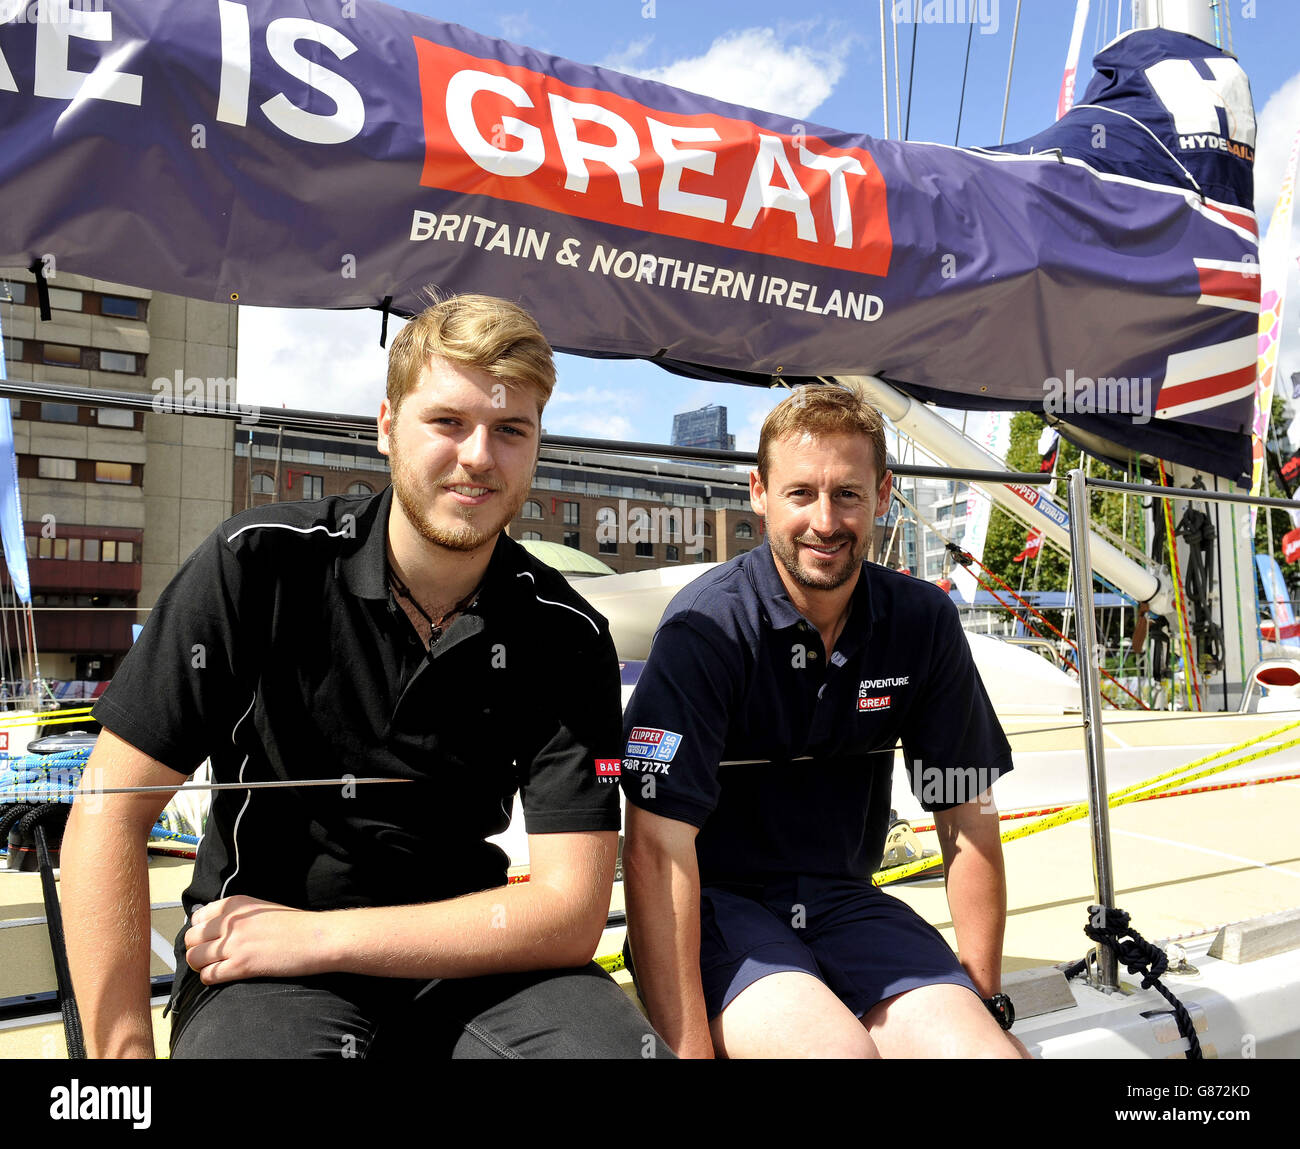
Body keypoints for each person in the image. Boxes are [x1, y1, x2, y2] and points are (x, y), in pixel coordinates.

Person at [61, 293, 664, 1059]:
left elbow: (572, 911)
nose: (479, 455)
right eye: (447, 421)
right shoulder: (260, 566)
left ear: (536, 448)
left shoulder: (565, 634)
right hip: (260, 966)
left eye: (510, 429)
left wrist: (316, 937)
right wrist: (123, 1066)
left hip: (465, 951)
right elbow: (109, 811)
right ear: (387, 427)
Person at [620, 384, 1027, 1058]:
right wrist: (688, 1052)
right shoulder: (707, 629)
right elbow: (655, 849)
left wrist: (984, 999)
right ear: (759, 492)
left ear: (884, 493)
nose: (825, 521)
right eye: (801, 492)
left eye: (847, 494)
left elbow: (967, 814)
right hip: (719, 911)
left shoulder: (921, 622)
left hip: (845, 902)